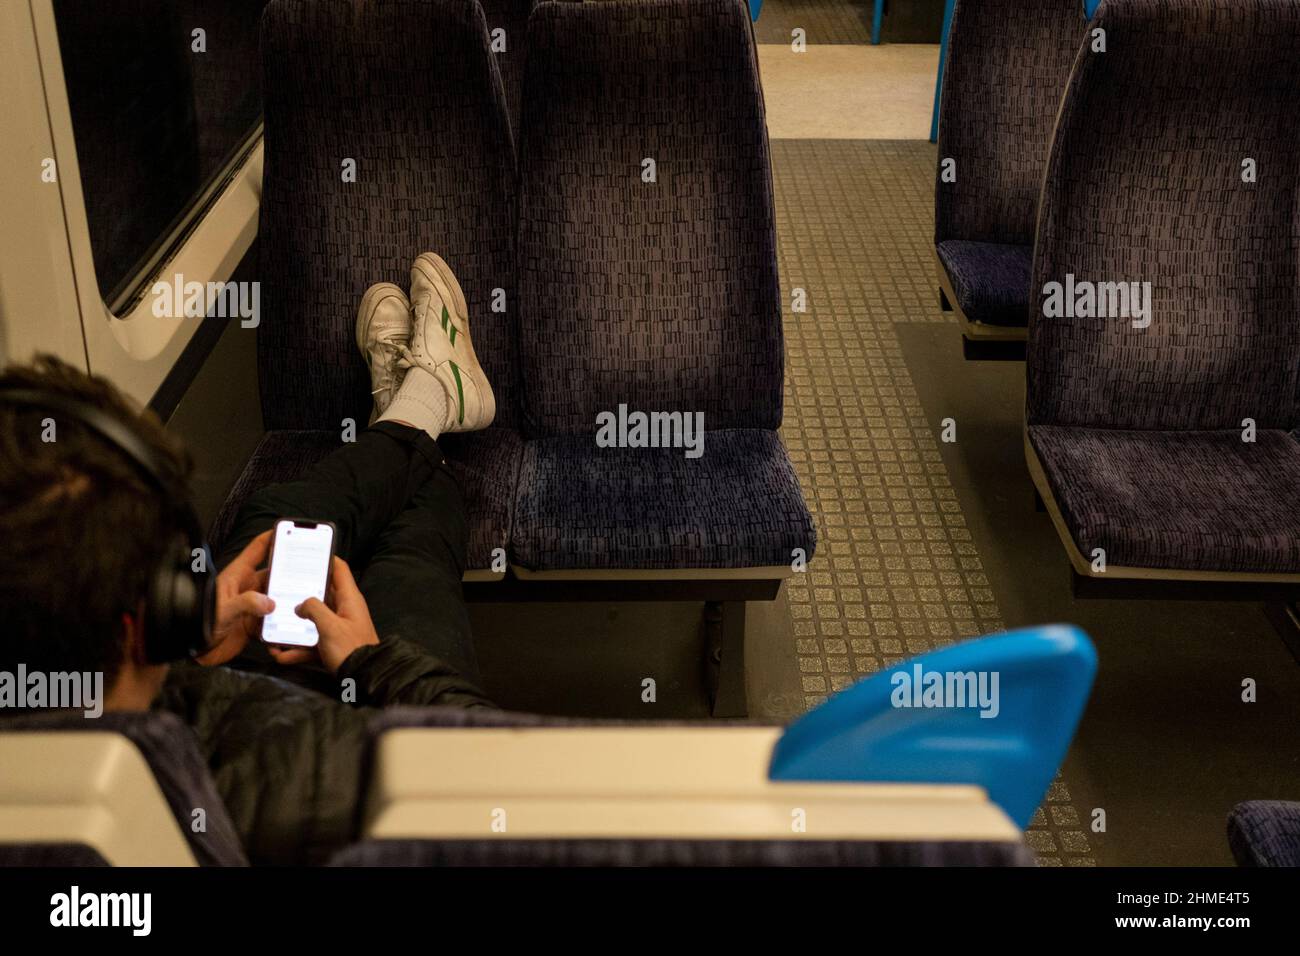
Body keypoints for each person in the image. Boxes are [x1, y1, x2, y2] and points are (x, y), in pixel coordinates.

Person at [0, 253, 498, 865]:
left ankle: (416, 413)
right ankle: (428, 405)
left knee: (277, 516)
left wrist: (190, 643)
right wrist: (373, 663)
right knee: (410, 560)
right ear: (150, 618)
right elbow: (496, 775)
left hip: (209, 673)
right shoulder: (309, 786)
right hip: (340, 713)